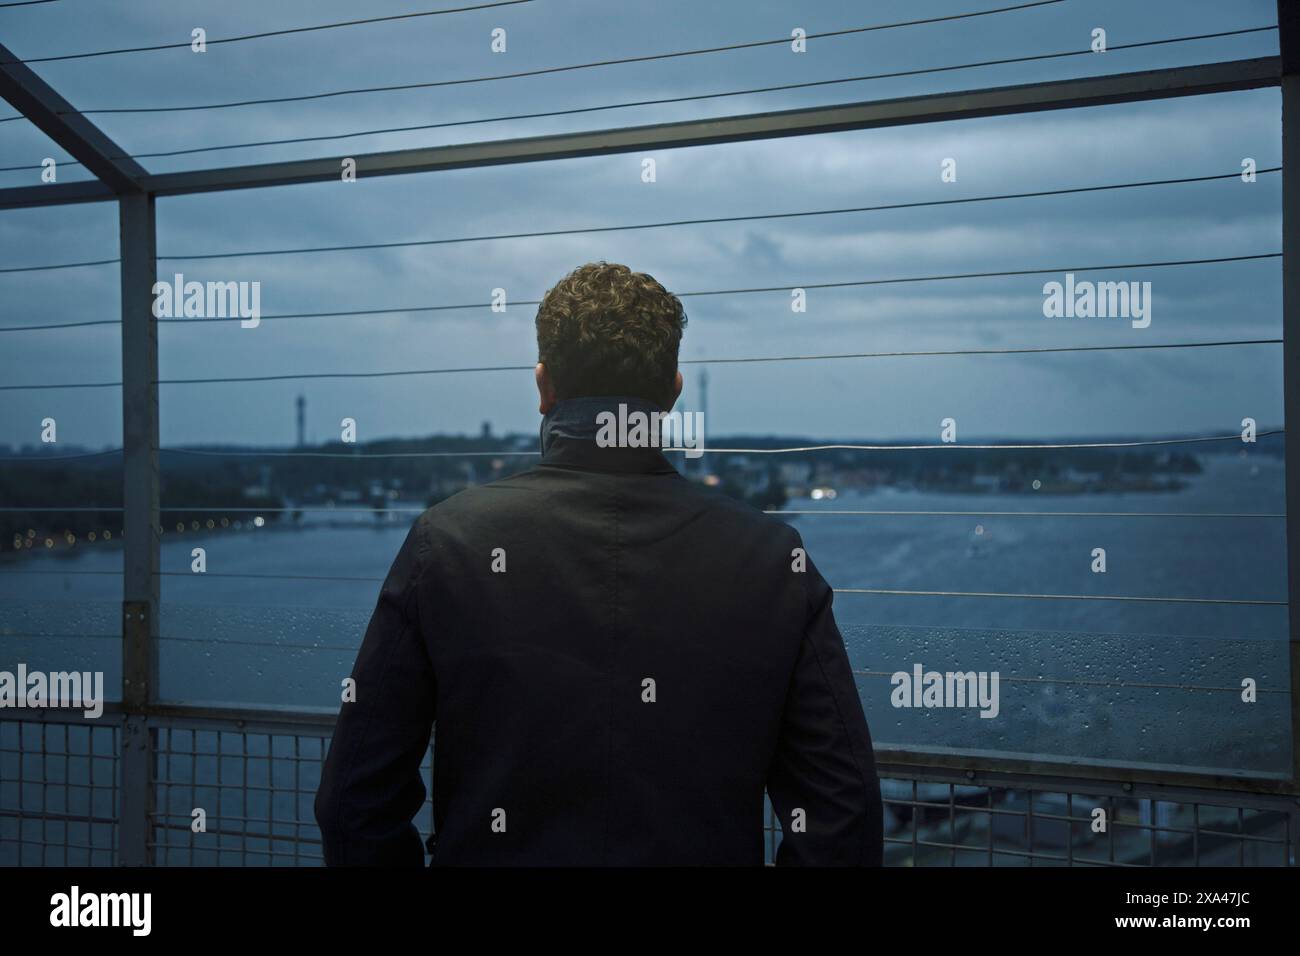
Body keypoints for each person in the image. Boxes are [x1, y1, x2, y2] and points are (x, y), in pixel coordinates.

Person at [315, 261, 883, 866]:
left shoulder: (448, 543)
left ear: (543, 386)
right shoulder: (774, 561)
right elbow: (842, 814)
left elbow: (354, 800)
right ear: (672, 392)